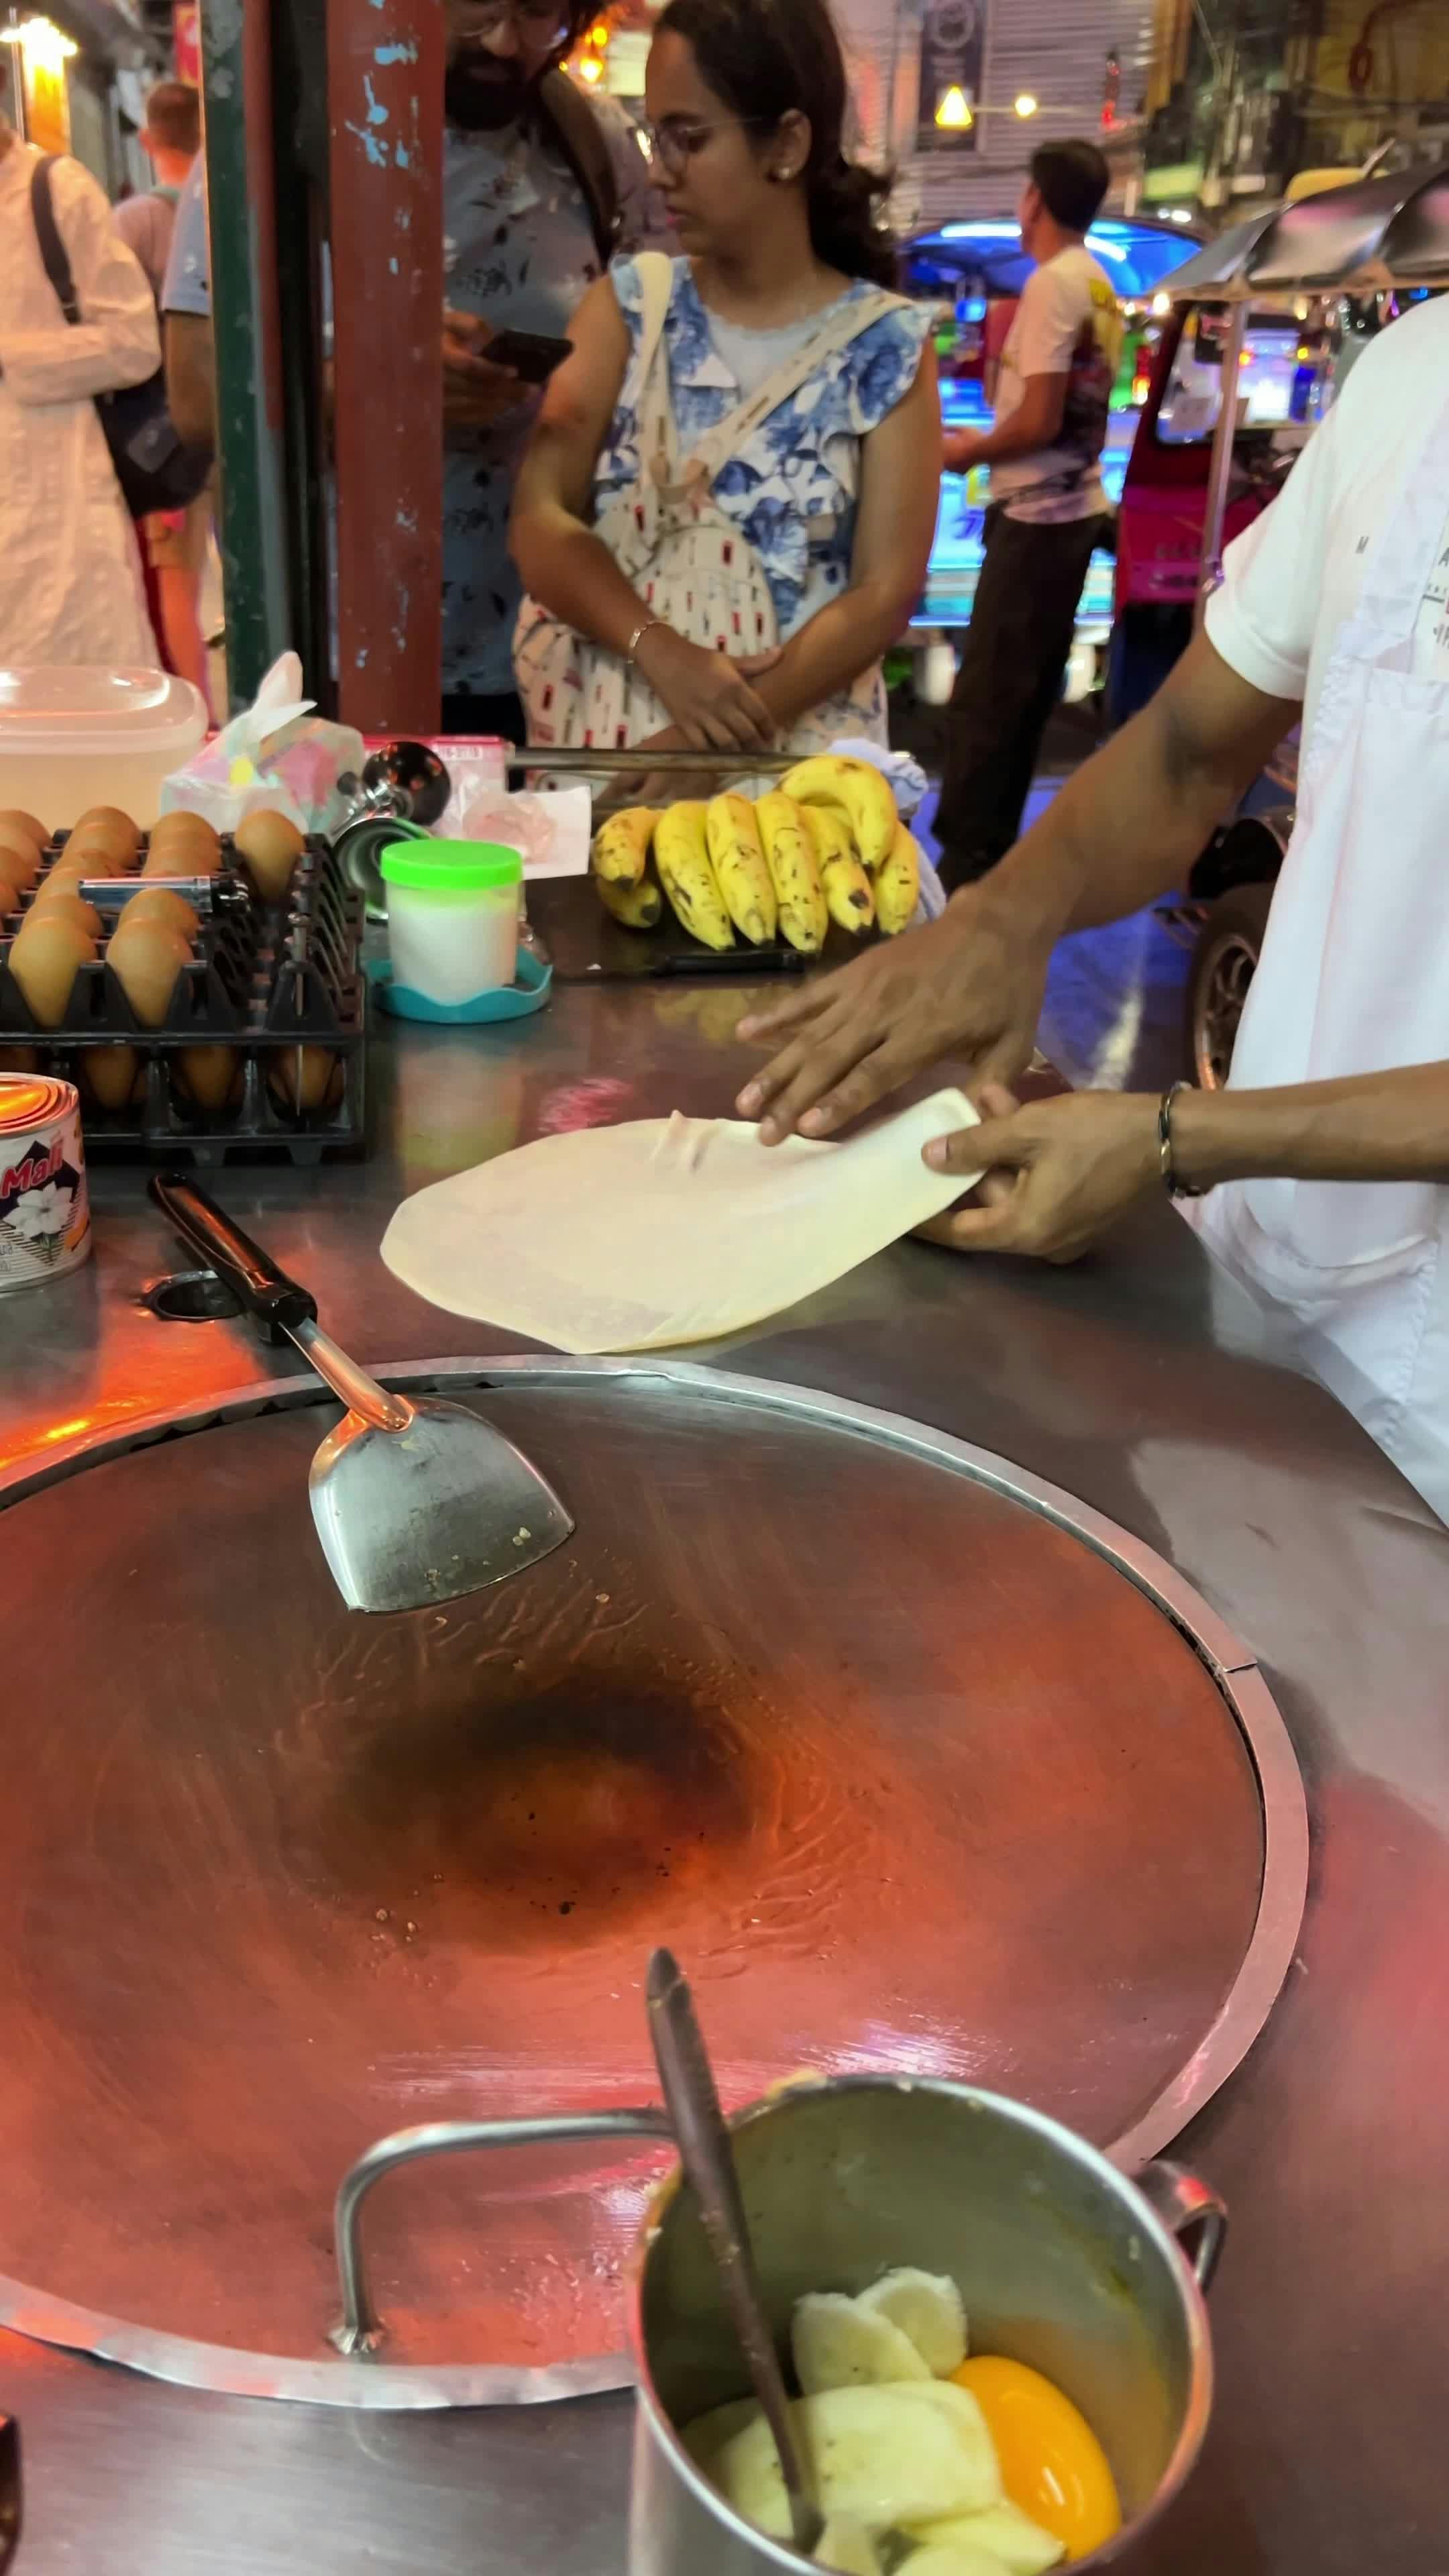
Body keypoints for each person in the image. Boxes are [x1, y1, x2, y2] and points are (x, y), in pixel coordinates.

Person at [735, 289, 1449, 1522]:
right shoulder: (1413, 378)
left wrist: (1177, 1139)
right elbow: (1186, 748)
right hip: (1279, 1318)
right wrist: (1001, 919)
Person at [508, 0, 940, 774]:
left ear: (788, 144)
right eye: (656, 135)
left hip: (798, 791)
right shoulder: (627, 309)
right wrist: (658, 648)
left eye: (690, 137)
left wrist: (708, 734)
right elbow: (539, 517)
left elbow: (884, 594)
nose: (659, 170)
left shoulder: (887, 345)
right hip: (612, 769)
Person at [437, 0, 664, 739]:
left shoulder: (594, 140)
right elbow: (198, 400)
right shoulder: (291, 131)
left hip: (563, 656)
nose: (506, 42)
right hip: (338, 654)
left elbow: (669, 347)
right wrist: (372, 386)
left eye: (540, 13)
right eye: (477, 5)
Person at [933, 141, 1120, 891]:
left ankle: (965, 873)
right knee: (1022, 696)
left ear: (1035, 199)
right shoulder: (1097, 281)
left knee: (990, 700)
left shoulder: (1051, 285)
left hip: (1038, 523)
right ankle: (989, 861)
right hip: (1070, 517)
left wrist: (967, 452)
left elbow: (1040, 420)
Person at [0, 113, 158, 666]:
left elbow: (134, 343)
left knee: (79, 689)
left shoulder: (55, 190)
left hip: (60, 518)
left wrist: (11, 358)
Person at [113, 80, 213, 716]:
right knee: (219, 576)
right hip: (228, 421)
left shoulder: (133, 221)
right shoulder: (223, 202)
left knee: (175, 585)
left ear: (148, 140)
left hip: (165, 427)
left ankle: (196, 717)